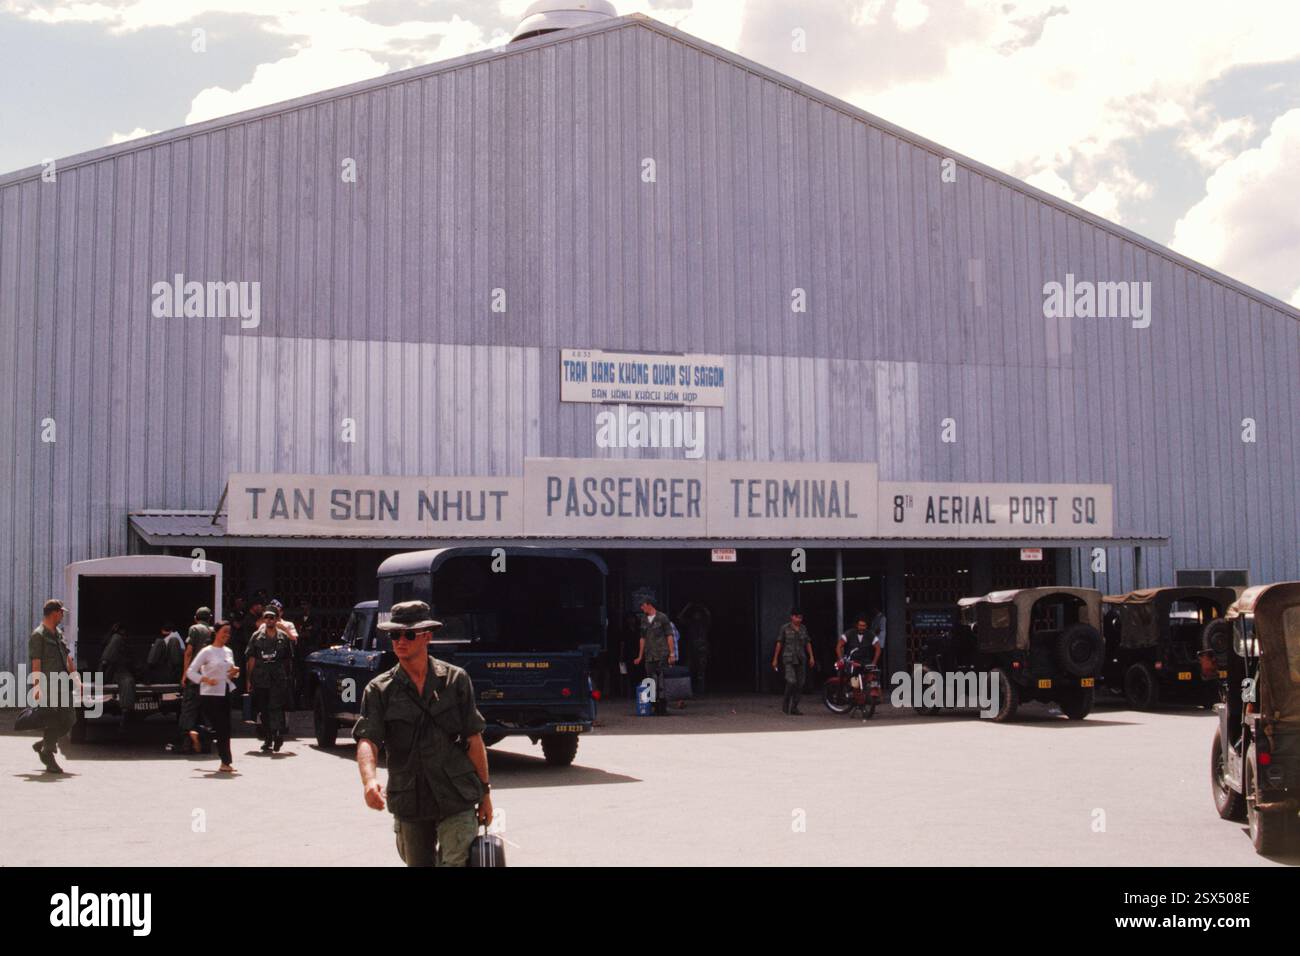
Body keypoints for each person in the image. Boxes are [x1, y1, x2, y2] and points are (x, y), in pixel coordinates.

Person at [353, 600, 493, 867]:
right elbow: (368, 740)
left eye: (408, 634)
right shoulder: (380, 689)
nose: (400, 641)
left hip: (456, 792)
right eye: (395, 635)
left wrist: (485, 793)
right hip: (410, 796)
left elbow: (474, 738)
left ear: (427, 636)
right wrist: (369, 781)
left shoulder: (455, 680)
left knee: (455, 862)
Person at [29, 599, 80, 774]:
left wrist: (76, 679)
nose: (62, 615)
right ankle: (48, 755)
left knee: (70, 719)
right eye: (61, 612)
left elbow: (67, 658)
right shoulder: (38, 635)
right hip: (48, 685)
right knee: (52, 721)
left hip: (63, 685)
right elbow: (36, 663)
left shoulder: (58, 633)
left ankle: (44, 744)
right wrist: (36, 687)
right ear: (54, 613)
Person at [185, 620, 240, 773]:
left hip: (225, 691)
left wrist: (235, 671)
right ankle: (198, 734)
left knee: (225, 728)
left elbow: (230, 671)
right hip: (209, 693)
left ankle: (225, 762)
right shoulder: (206, 651)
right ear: (216, 632)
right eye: (224, 632)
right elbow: (191, 672)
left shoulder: (228, 651)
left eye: (229, 632)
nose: (226, 635)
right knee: (219, 726)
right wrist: (205, 679)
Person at [246, 608, 293, 752]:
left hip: (278, 678)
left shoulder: (283, 637)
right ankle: (268, 738)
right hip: (260, 678)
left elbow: (288, 659)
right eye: (266, 617)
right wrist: (248, 680)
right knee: (263, 709)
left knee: (276, 707)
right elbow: (251, 658)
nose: (269, 620)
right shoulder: (256, 636)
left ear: (276, 619)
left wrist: (288, 678)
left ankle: (278, 734)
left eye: (272, 618)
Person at [176, 607, 215, 753]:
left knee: (189, 709)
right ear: (210, 618)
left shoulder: (194, 629)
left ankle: (186, 743)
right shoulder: (213, 630)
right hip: (209, 678)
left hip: (195, 677)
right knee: (207, 710)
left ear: (195, 618)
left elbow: (188, 652)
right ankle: (206, 744)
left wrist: (185, 674)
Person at [632, 596, 676, 715]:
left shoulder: (662, 618)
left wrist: (672, 653)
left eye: (642, 605)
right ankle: (654, 706)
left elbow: (669, 636)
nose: (641, 608)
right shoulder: (644, 620)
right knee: (650, 681)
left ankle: (663, 707)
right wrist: (640, 656)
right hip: (649, 655)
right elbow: (642, 638)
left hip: (662, 654)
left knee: (662, 682)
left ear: (649, 605)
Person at [772, 608, 816, 715]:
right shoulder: (785, 628)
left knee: (800, 684)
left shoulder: (803, 628)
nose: (799, 619)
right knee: (791, 681)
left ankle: (794, 707)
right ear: (792, 617)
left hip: (801, 658)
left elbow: (807, 642)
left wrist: (811, 656)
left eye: (801, 617)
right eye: (797, 617)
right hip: (789, 659)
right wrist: (775, 658)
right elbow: (779, 643)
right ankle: (785, 703)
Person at [99, 622, 136, 723]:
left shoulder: (118, 641)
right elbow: (106, 660)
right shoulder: (116, 639)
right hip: (111, 671)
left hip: (117, 670)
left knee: (127, 680)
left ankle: (126, 713)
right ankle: (126, 713)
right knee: (127, 681)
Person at [679, 602, 712, 695]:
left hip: (702, 649)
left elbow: (709, 616)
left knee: (701, 672)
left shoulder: (704, 624)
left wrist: (703, 607)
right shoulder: (690, 623)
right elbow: (680, 618)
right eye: (695, 614)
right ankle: (688, 690)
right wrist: (688, 607)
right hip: (691, 650)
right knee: (689, 671)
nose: (696, 615)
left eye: (698, 614)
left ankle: (701, 691)